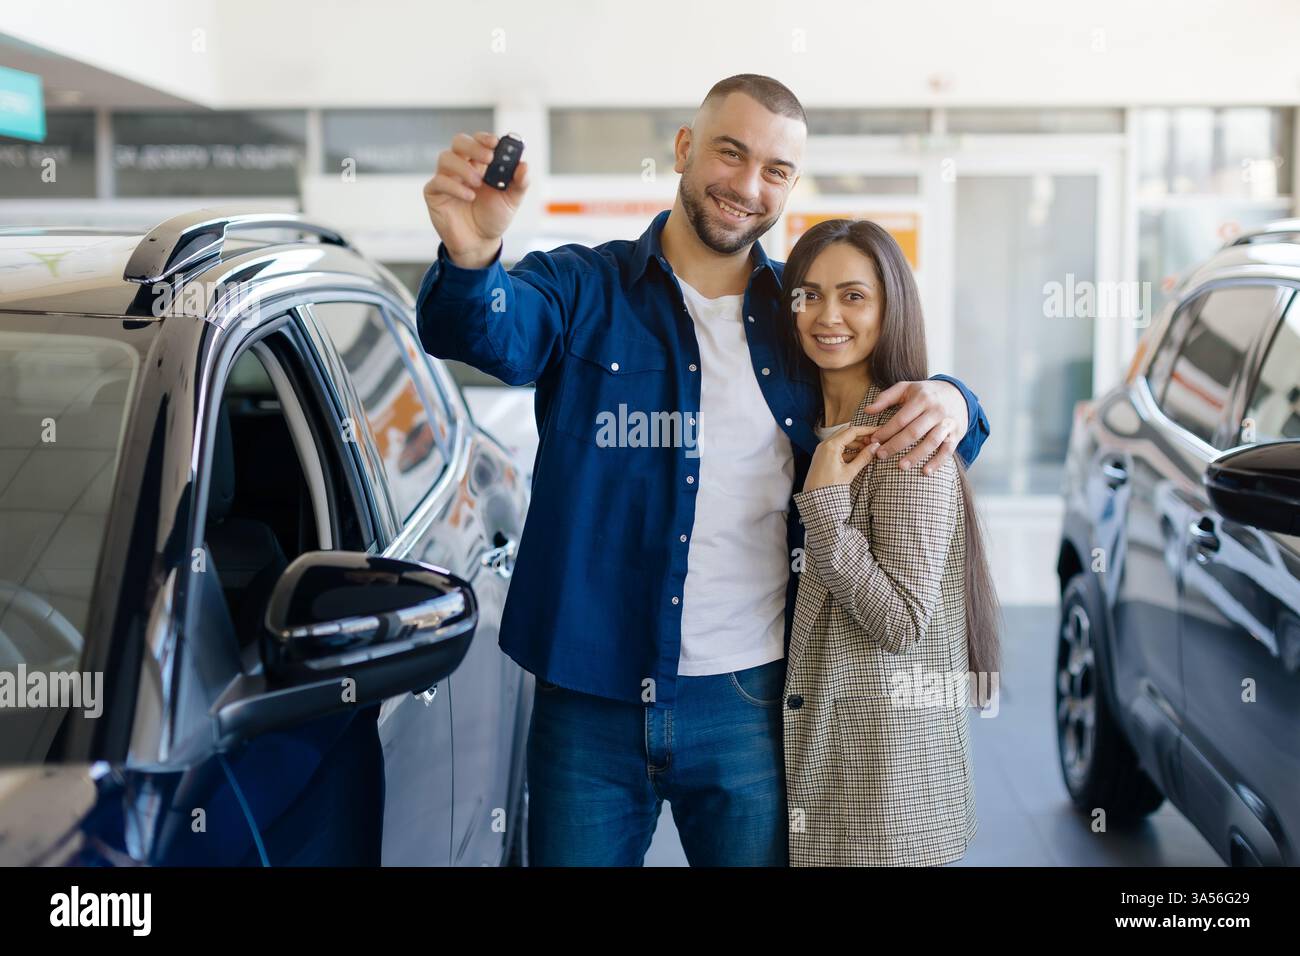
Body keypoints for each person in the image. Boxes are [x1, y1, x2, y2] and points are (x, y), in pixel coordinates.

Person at [416, 73, 989, 866]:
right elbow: (486, 336)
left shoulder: (801, 311)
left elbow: (887, 390)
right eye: (731, 153)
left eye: (776, 171)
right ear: (685, 150)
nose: (748, 187)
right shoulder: (584, 285)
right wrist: (472, 258)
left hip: (749, 700)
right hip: (589, 697)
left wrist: (957, 401)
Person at [781, 218, 1000, 866]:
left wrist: (824, 507)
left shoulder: (911, 440)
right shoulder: (802, 423)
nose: (827, 315)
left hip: (874, 789)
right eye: (809, 294)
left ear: (890, 307)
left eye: (853, 296)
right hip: (812, 760)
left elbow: (900, 620)